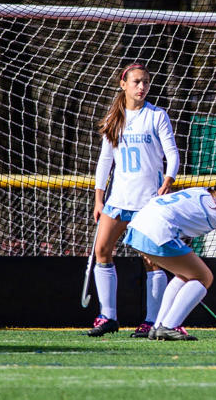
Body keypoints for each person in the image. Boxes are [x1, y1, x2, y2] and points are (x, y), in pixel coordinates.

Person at [88, 63, 180, 337]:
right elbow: (105, 161)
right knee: (102, 251)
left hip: (147, 202)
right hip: (118, 200)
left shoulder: (157, 116)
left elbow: (172, 153)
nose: (142, 87)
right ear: (123, 84)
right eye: (137, 82)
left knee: (152, 259)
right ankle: (108, 317)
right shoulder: (114, 118)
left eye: (146, 82)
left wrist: (169, 179)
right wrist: (98, 199)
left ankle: (152, 320)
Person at [123, 167, 216, 340]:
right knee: (205, 277)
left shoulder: (200, 192)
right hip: (158, 230)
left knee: (185, 275)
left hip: (137, 226)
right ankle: (169, 325)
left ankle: (159, 325)